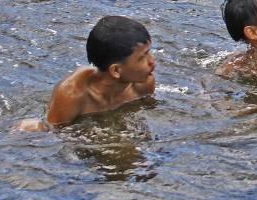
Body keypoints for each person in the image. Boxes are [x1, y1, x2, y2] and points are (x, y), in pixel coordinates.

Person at [17, 15, 156, 131]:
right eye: (142, 57)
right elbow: (56, 133)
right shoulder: (72, 94)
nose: (152, 61)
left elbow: (144, 112)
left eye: (149, 52)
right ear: (116, 70)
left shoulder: (143, 84)